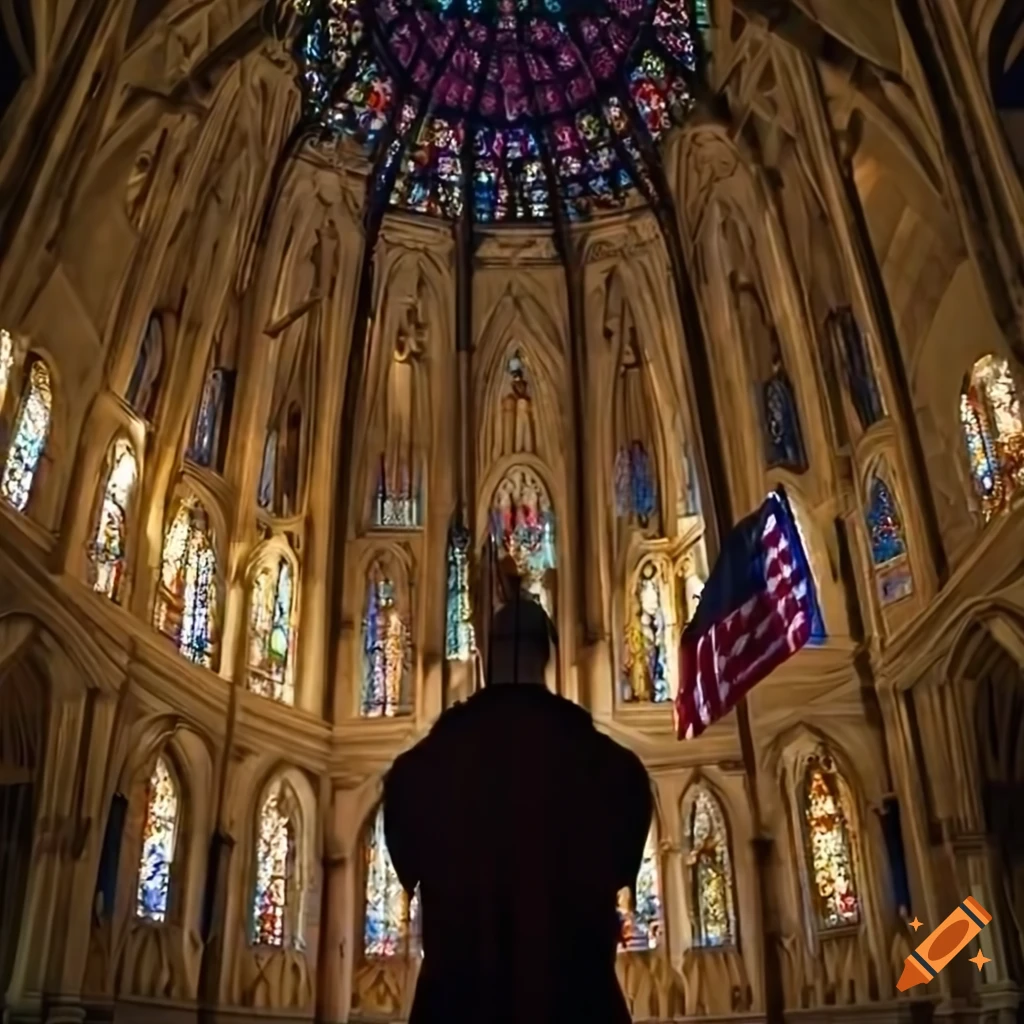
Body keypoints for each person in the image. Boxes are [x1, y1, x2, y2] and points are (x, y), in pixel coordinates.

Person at [383, 557, 653, 1024]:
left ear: (485, 657)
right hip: (577, 1008)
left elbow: (409, 868)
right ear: (546, 655)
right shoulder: (615, 770)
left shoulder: (418, 772)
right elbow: (620, 873)